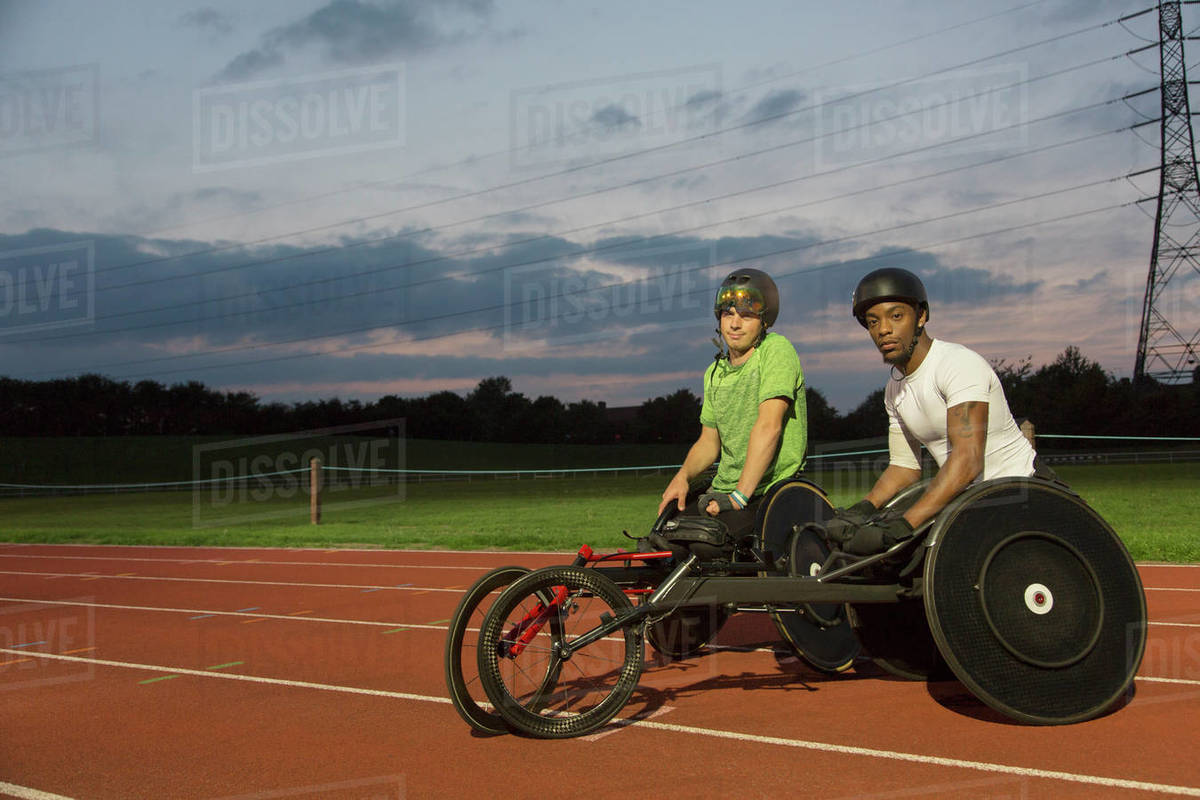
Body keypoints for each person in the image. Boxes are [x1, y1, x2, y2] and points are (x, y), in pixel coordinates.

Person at [827, 267, 1048, 555]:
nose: (883, 330)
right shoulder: (894, 390)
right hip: (973, 502)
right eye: (872, 322)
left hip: (1025, 495)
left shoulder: (956, 364)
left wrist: (903, 527)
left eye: (896, 316)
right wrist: (862, 509)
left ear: (921, 317)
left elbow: (968, 460)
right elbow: (905, 468)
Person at [657, 268, 807, 540]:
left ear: (764, 320)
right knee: (662, 540)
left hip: (767, 491)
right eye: (728, 314)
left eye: (747, 315)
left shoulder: (776, 350)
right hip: (721, 490)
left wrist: (740, 495)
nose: (735, 324)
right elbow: (708, 442)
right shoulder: (714, 372)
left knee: (708, 544)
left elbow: (769, 426)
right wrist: (682, 477)